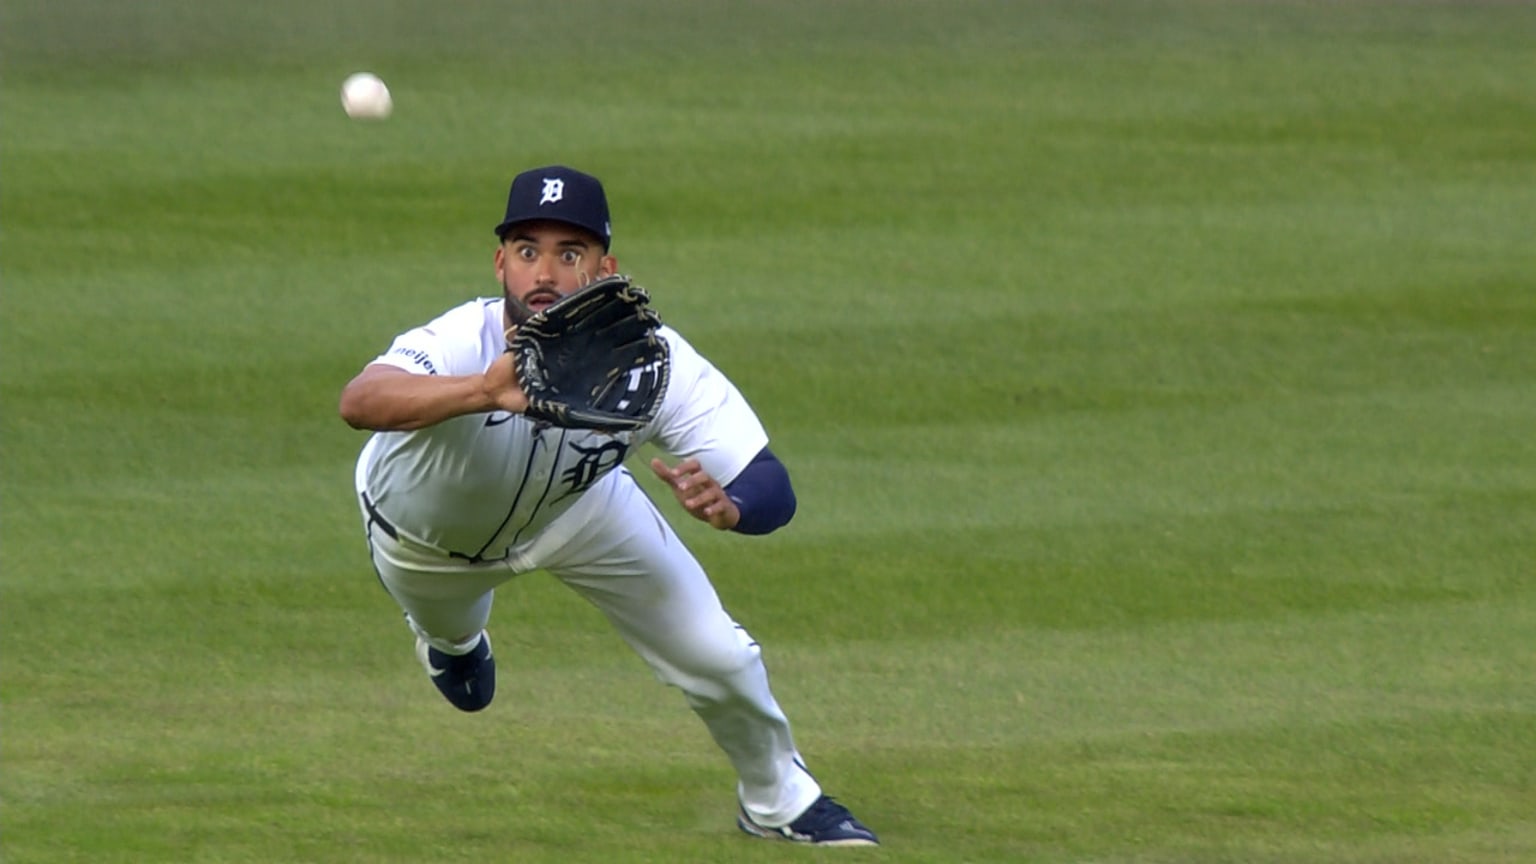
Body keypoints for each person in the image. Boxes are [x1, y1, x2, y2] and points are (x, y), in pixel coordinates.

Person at [338, 165, 878, 846]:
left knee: (720, 655)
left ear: (604, 268)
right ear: (500, 261)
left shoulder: (651, 361)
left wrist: (732, 506)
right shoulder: (458, 341)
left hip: (580, 512)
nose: (546, 272)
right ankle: (453, 645)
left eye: (570, 254)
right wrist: (481, 390)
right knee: (451, 632)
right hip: (422, 544)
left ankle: (780, 801)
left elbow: (770, 483)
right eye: (529, 250)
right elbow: (361, 401)